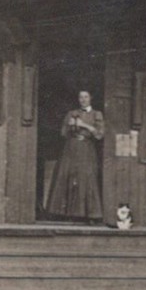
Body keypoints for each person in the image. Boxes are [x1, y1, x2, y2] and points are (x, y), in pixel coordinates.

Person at [44, 90, 105, 223]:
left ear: (91, 98)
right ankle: (66, 214)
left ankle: (89, 215)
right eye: (80, 97)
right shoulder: (71, 113)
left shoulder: (96, 114)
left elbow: (100, 134)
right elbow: (63, 133)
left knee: (86, 178)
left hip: (86, 148)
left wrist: (83, 125)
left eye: (86, 97)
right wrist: (69, 125)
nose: (83, 100)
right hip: (71, 148)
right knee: (68, 176)